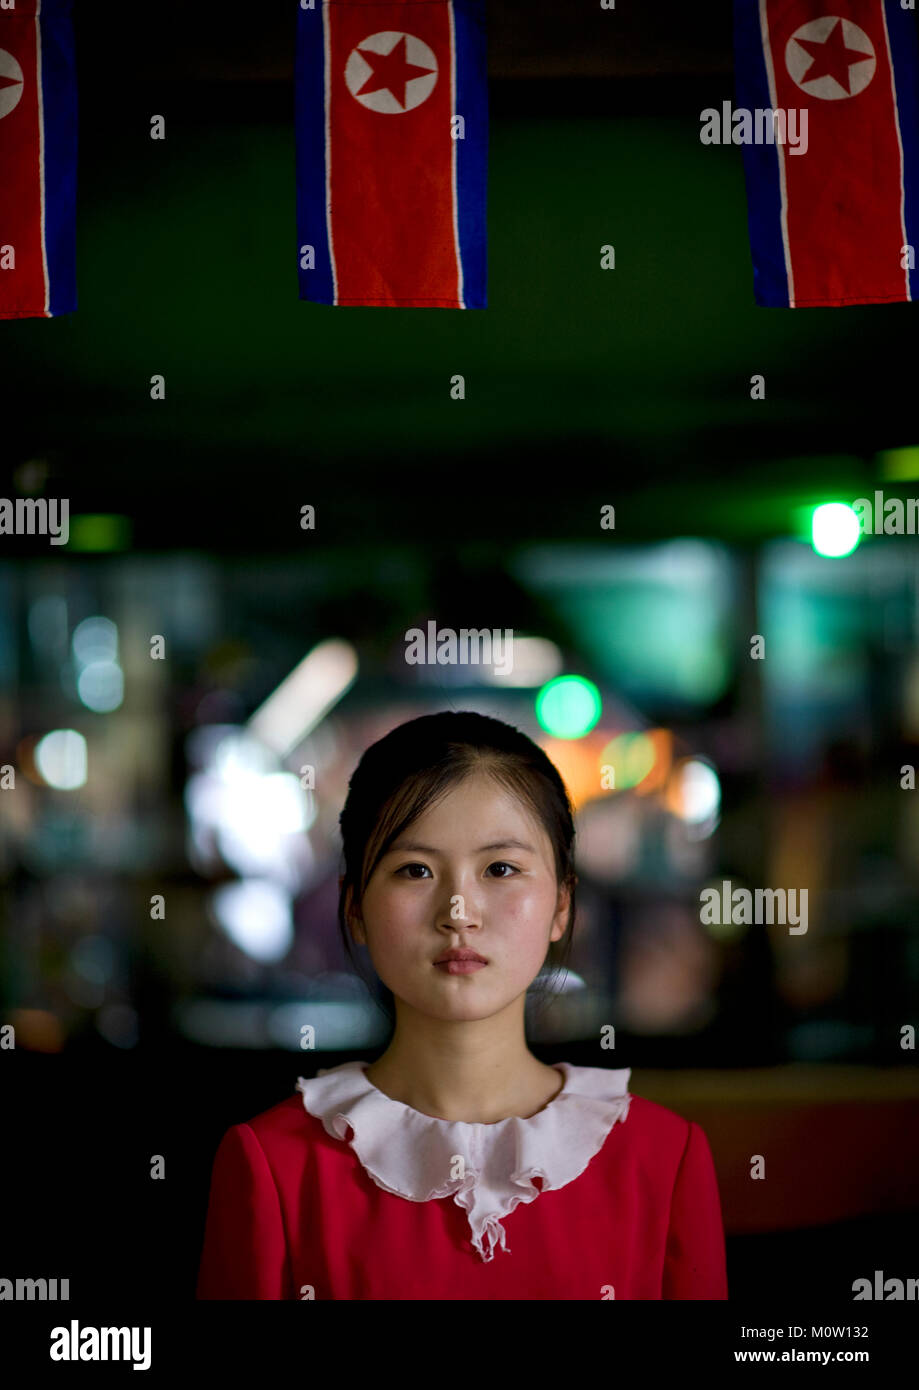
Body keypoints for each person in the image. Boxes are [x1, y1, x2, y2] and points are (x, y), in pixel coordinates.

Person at [196, 710, 728, 1299]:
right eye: (415, 869)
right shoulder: (273, 1166)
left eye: (501, 869)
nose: (458, 911)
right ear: (355, 909)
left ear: (561, 905)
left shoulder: (663, 1160)